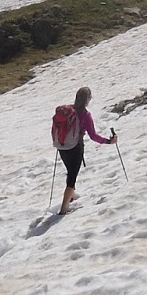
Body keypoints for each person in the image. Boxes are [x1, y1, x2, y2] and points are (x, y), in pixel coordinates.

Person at [58, 86, 114, 215]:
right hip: (76, 148)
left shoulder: (67, 110)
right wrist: (108, 141)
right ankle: (63, 209)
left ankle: (71, 197)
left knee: (70, 172)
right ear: (87, 99)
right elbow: (93, 136)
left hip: (62, 147)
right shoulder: (85, 115)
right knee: (72, 177)